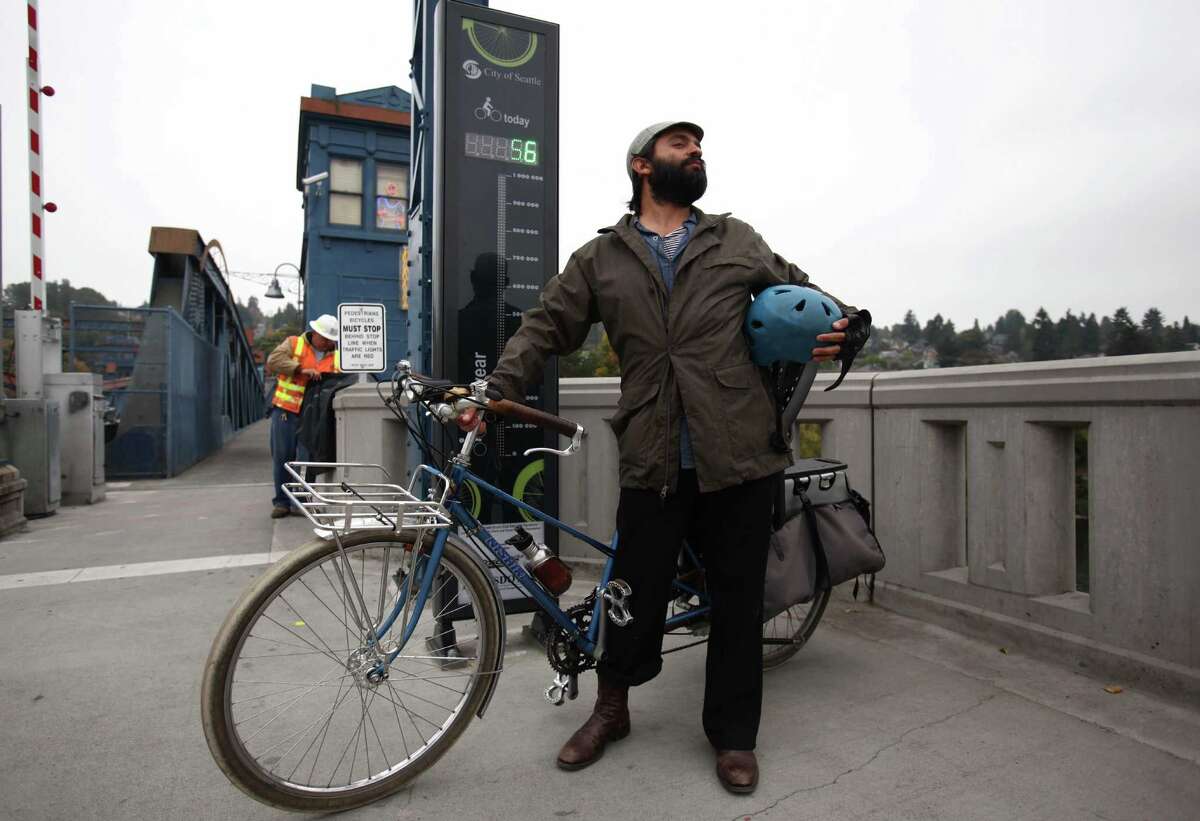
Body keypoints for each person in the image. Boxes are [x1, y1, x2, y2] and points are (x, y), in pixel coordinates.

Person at [470, 121, 871, 794]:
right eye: (681, 144)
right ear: (643, 165)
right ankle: (611, 707)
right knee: (631, 594)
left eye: (699, 146)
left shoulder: (733, 239)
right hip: (653, 457)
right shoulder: (602, 257)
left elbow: (807, 294)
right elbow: (545, 324)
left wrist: (846, 323)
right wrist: (498, 387)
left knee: (739, 601)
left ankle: (734, 735)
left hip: (739, 453)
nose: (696, 152)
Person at [264, 314, 340, 518]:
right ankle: (282, 502)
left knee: (307, 460)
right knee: (283, 457)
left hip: (313, 416)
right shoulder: (294, 344)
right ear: (314, 334)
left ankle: (302, 502)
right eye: (324, 339)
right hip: (286, 412)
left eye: (331, 340)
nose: (327, 343)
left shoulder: (337, 356)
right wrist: (299, 369)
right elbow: (274, 361)